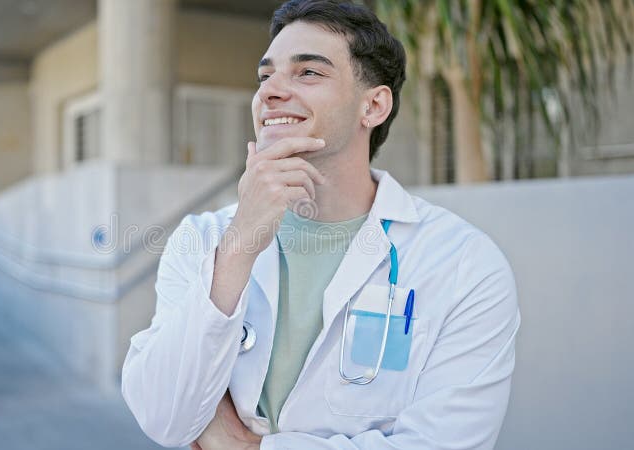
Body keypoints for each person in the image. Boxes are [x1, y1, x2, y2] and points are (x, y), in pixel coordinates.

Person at [121, 1, 520, 449]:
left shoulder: (464, 265)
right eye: (265, 75)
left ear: (373, 105)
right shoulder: (204, 240)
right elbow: (161, 417)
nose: (270, 91)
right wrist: (239, 245)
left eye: (308, 72)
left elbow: (444, 444)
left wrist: (246, 446)